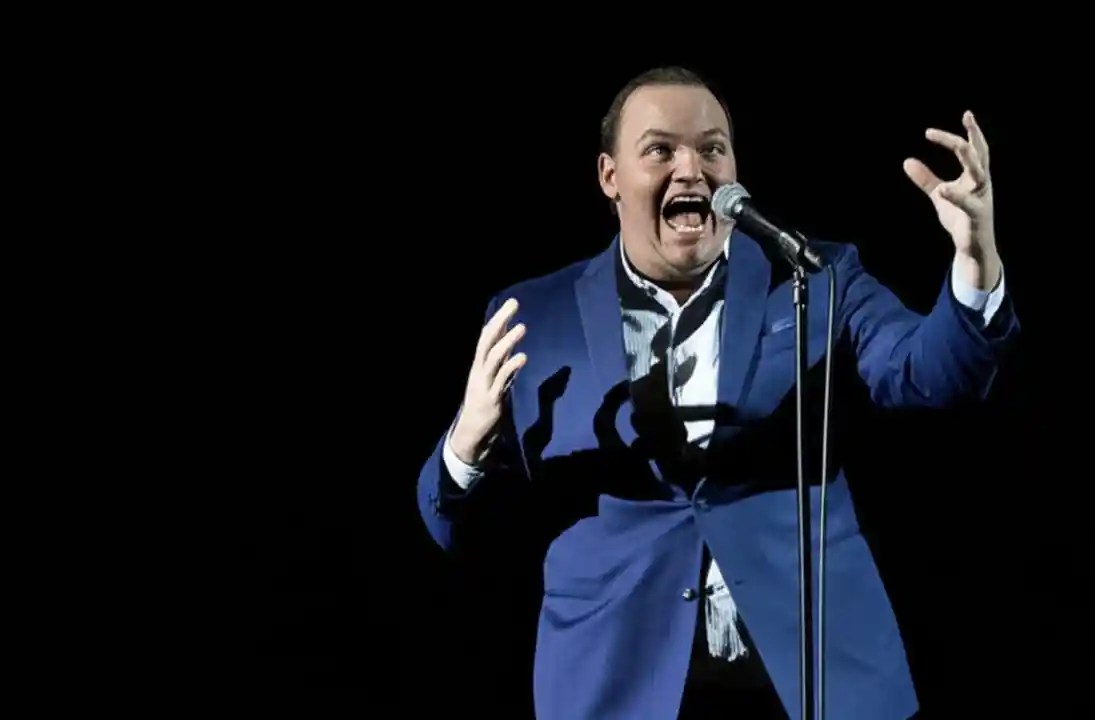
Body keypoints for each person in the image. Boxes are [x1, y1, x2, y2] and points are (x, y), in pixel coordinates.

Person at [417, 66, 1018, 719]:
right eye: (660, 150)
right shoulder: (534, 316)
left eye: (712, 148)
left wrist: (975, 261)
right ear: (609, 176)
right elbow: (457, 532)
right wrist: (465, 447)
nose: (692, 168)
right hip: (619, 684)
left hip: (811, 678)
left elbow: (929, 376)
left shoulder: (813, 276)